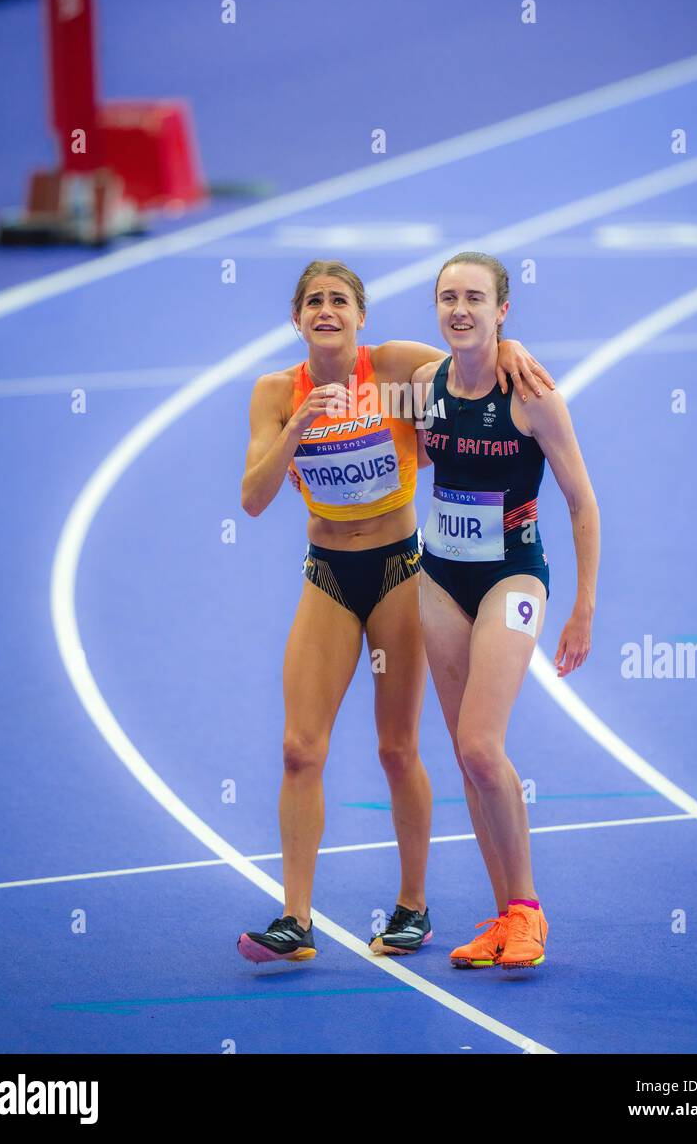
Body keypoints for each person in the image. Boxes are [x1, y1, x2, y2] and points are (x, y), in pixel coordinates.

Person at [238, 259, 555, 962]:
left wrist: (515, 348)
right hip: (327, 575)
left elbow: (468, 362)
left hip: (397, 572)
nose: (326, 310)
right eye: (313, 301)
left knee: (397, 747)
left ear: (360, 317)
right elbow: (253, 497)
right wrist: (298, 429)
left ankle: (413, 907)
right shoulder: (274, 392)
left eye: (340, 301)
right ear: (297, 319)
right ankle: (296, 917)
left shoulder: (393, 373)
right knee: (299, 749)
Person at [411, 251, 599, 970]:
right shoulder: (425, 382)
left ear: (502, 310)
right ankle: (501, 917)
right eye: (448, 298)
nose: (460, 310)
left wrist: (582, 607)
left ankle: (528, 911)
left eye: (475, 299)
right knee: (465, 754)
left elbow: (583, 503)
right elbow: (360, 365)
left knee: (482, 744)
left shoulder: (533, 395)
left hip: (512, 579)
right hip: (439, 580)